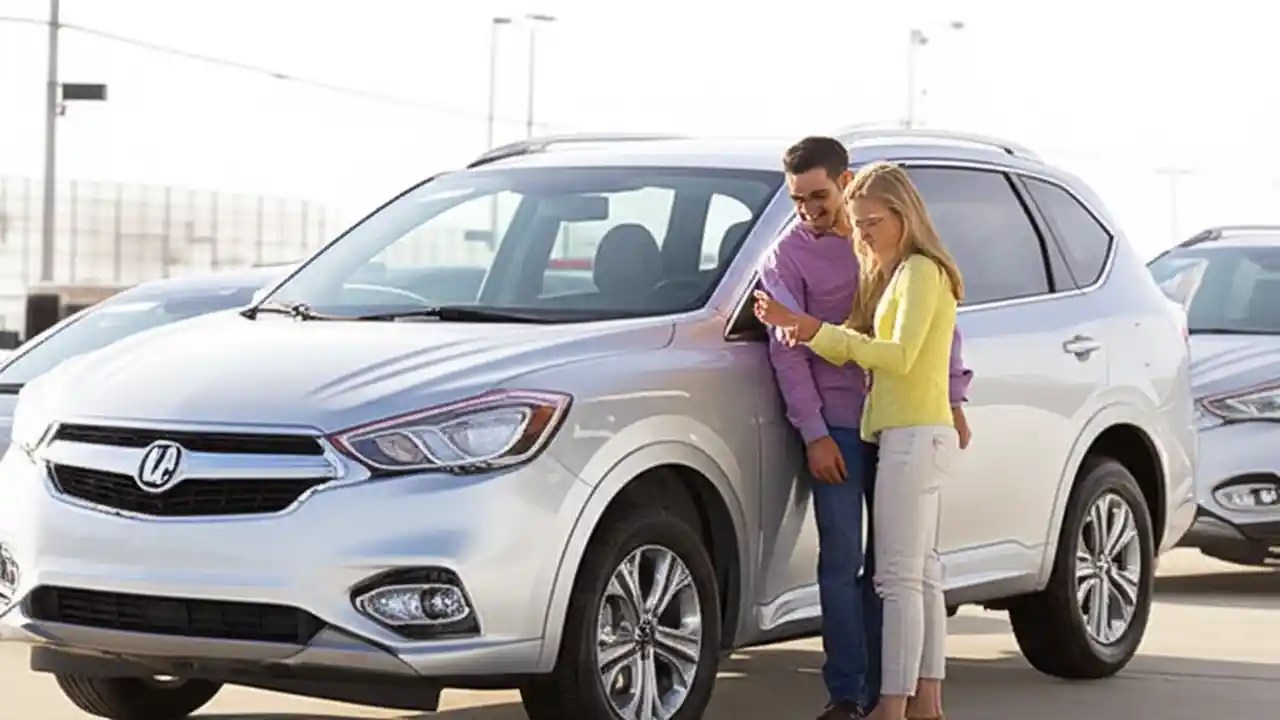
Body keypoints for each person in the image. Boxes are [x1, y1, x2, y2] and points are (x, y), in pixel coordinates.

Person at [759, 138, 972, 720]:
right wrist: (814, 432)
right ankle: (850, 696)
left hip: (902, 423)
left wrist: (952, 399)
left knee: (900, 571)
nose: (809, 210)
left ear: (847, 182)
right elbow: (786, 353)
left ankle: (893, 694)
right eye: (797, 200)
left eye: (819, 196)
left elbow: (933, 337)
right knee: (846, 562)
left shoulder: (888, 245)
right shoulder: (787, 256)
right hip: (841, 428)